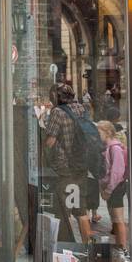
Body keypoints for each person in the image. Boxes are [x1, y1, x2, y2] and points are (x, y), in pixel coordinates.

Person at [44, 81, 92, 244]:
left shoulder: (57, 112)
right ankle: (88, 248)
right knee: (81, 210)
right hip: (81, 165)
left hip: (65, 168)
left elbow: (50, 141)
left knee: (63, 211)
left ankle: (66, 249)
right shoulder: (81, 108)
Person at [97, 119, 128, 249]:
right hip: (111, 187)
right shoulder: (108, 148)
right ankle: (119, 246)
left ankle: (123, 247)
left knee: (118, 218)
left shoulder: (115, 149)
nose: (97, 135)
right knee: (114, 218)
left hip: (116, 187)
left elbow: (117, 172)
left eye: (99, 132)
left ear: (108, 132)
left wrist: (108, 190)